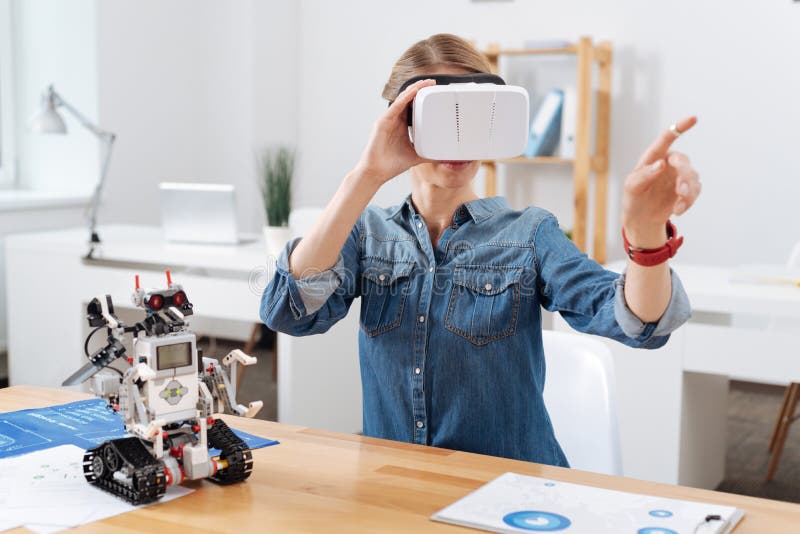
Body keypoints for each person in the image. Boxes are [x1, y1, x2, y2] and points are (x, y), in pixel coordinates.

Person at [260, 34, 700, 466]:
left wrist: (646, 236)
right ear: (400, 121)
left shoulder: (529, 233)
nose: (458, 135)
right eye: (440, 116)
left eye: (471, 115)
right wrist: (366, 176)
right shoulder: (367, 234)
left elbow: (639, 322)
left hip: (506, 493)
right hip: (394, 488)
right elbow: (287, 312)